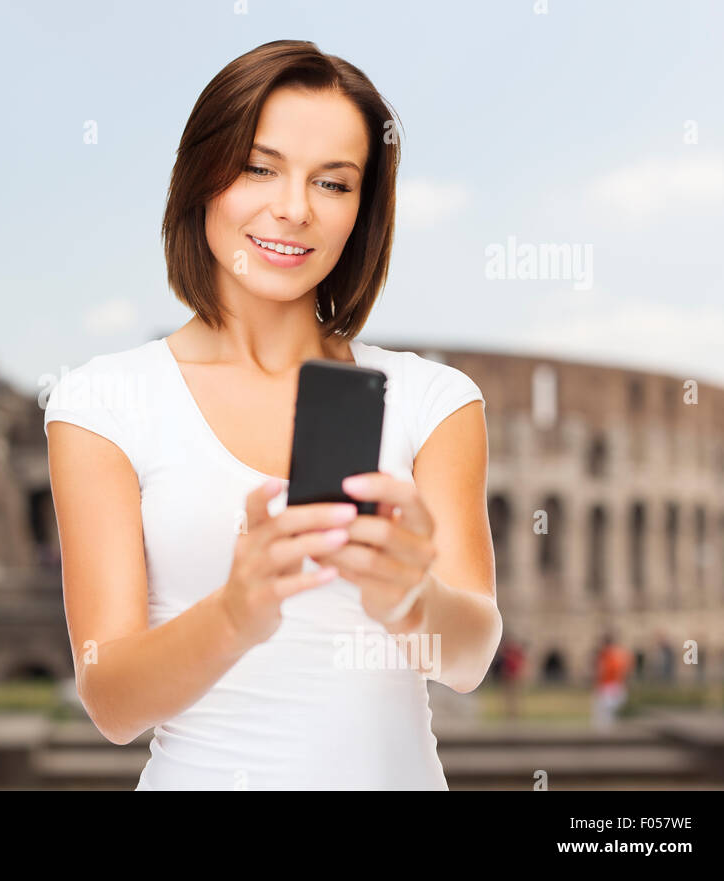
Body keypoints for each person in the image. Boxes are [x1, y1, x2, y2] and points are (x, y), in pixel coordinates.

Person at [44, 40, 502, 790]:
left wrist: (412, 599)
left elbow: (471, 655)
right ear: (202, 174)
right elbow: (111, 700)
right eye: (260, 167)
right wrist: (235, 613)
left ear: (363, 211)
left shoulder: (432, 398)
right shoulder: (103, 402)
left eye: (333, 182)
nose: (293, 208)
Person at [591, 633, 633, 729]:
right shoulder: (617, 655)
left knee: (605, 719)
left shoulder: (610, 656)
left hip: (610, 688)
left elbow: (605, 673)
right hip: (613, 688)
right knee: (608, 718)